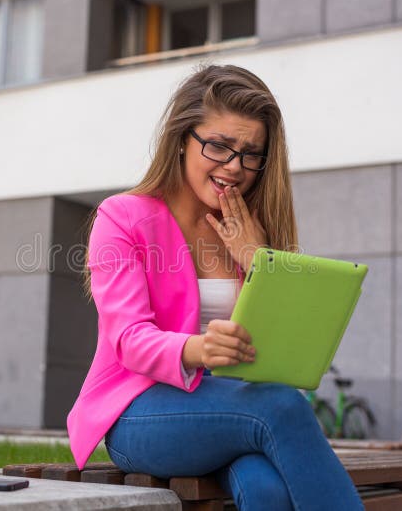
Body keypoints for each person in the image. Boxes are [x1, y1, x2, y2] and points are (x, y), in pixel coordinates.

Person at [67, 64, 364, 511]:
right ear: (183, 138)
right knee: (280, 408)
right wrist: (200, 349)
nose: (234, 167)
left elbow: (273, 350)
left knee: (267, 490)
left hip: (234, 409)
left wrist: (257, 262)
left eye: (250, 153)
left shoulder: (250, 229)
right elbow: (128, 339)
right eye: (219, 146)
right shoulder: (122, 217)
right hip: (139, 413)